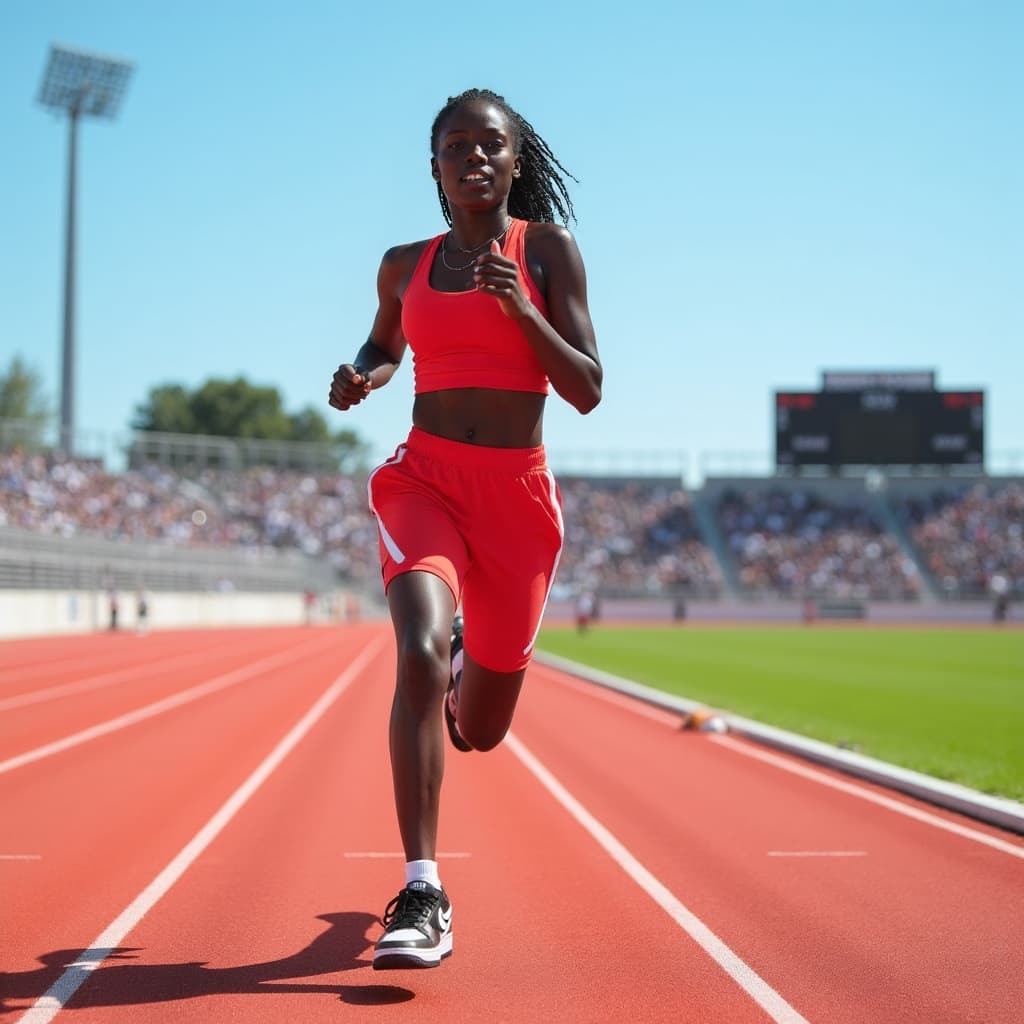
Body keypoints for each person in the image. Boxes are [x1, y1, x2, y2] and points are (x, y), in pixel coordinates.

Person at [328, 88, 601, 970]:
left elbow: (589, 388)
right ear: (436, 166)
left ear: (516, 163)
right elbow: (384, 345)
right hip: (426, 481)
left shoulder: (548, 251)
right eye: (457, 146)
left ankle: (461, 674)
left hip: (517, 500)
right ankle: (422, 889)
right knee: (411, 649)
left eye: (492, 145)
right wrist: (361, 374)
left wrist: (522, 309)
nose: (475, 158)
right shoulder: (403, 265)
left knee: (480, 732)